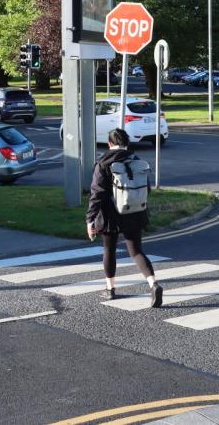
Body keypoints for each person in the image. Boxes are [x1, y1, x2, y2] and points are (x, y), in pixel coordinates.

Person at [87, 128, 162, 305]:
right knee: (136, 251)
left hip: (109, 214)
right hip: (134, 211)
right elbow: (146, 189)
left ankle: (110, 289)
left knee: (109, 250)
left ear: (110, 144)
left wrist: (90, 219)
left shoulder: (103, 163)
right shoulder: (137, 161)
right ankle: (153, 284)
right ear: (127, 143)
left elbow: (97, 193)